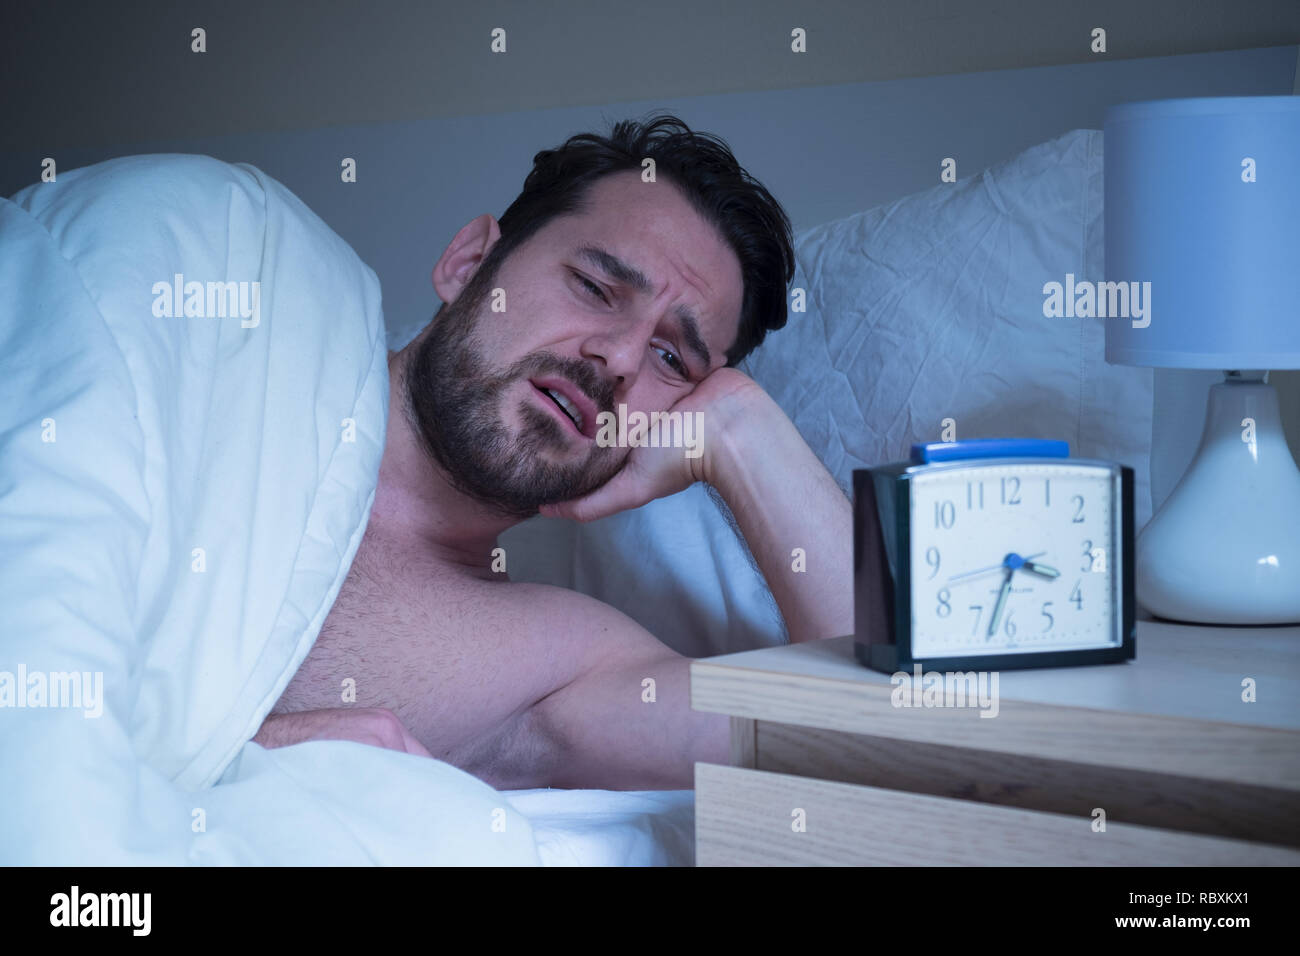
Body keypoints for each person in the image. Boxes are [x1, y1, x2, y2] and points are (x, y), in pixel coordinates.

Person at [254, 113, 852, 789]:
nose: (620, 357)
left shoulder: (553, 663)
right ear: (469, 262)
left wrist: (744, 431)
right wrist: (240, 760)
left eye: (670, 358)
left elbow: (898, 735)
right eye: (595, 288)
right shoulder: (233, 377)